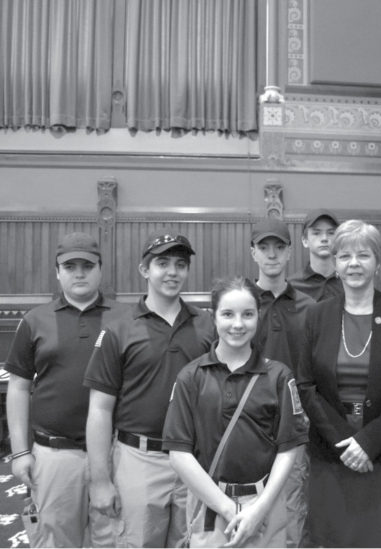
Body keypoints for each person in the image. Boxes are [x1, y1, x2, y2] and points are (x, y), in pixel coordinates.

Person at [84, 229, 215, 547]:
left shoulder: (207, 326)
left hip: (195, 459)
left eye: (180, 264)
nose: (172, 272)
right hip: (138, 460)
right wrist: (100, 480)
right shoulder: (119, 330)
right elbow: (99, 409)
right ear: (144, 269)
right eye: (163, 263)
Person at [297, 219, 381, 547]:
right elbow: (306, 386)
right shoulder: (316, 316)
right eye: (345, 256)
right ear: (335, 264)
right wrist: (345, 442)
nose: (354, 263)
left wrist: (368, 442)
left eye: (363, 255)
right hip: (332, 459)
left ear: (378, 262)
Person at [163, 276, 309, 547]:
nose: (238, 324)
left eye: (248, 314)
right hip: (210, 507)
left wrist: (259, 510)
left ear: (258, 316)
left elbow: (288, 447)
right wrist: (231, 510)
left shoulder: (279, 376)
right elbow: (178, 453)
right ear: (213, 316)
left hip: (265, 508)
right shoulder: (191, 377)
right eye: (228, 314)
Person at [5, 232, 129, 548]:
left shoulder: (127, 318)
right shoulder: (35, 320)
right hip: (55, 455)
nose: (79, 273)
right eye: (70, 266)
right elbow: (18, 387)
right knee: (56, 541)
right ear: (57, 272)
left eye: (87, 266)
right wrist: (20, 451)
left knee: (115, 540)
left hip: (116, 454)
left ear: (100, 270)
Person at [249, 217, 314, 547]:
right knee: (247, 513)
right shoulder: (241, 304)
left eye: (278, 247)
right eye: (264, 247)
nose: (272, 254)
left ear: (290, 252)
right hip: (246, 424)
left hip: (293, 427)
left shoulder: (309, 308)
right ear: (253, 253)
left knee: (289, 517)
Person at [288, 209, 343, 302]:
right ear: (305, 241)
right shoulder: (291, 287)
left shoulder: (349, 282)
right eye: (316, 233)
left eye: (331, 233)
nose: (324, 238)